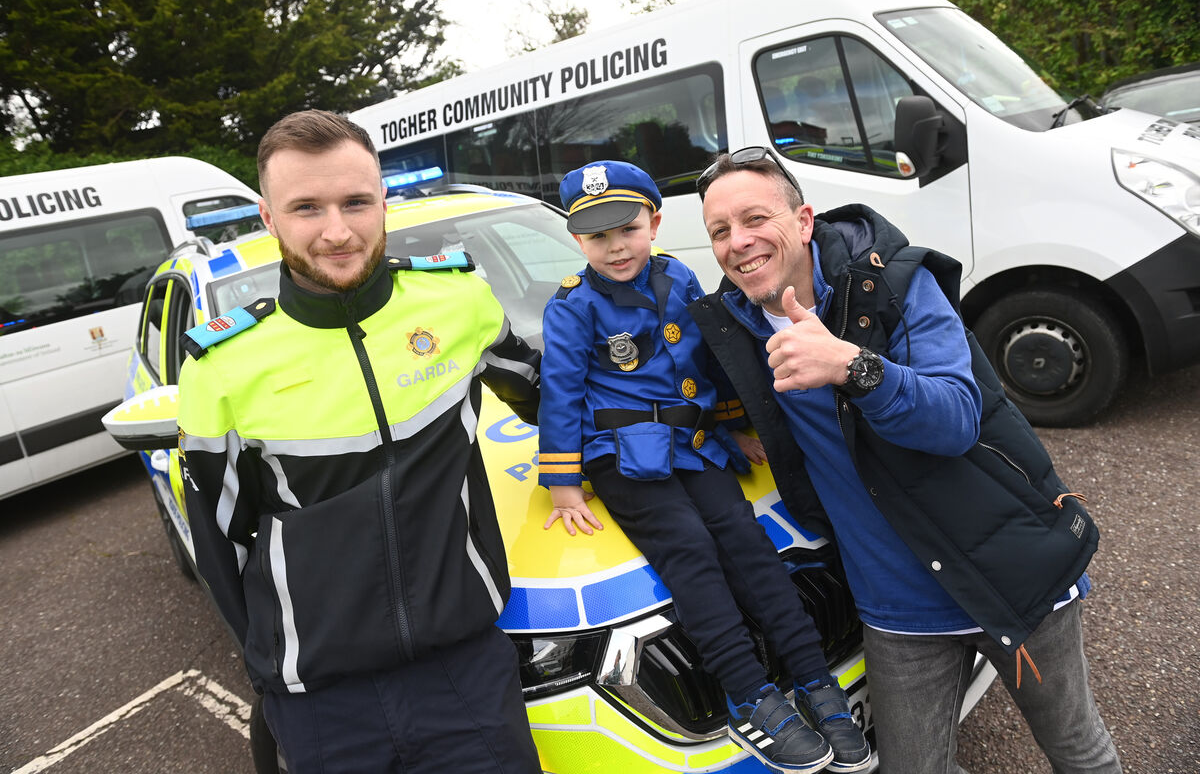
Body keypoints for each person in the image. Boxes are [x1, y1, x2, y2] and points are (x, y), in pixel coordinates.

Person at [690, 146, 1123, 773]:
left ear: (804, 220)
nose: (739, 242)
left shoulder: (895, 282)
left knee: (1079, 752)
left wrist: (852, 367)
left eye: (756, 218)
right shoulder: (730, 325)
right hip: (897, 605)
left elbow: (954, 420)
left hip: (1009, 569)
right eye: (720, 231)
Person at [176, 110, 542, 773]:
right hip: (322, 703)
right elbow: (220, 545)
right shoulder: (220, 364)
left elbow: (554, 396)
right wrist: (272, 679)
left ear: (382, 202)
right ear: (268, 218)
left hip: (465, 676)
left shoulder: (458, 299)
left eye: (355, 203)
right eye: (307, 208)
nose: (337, 231)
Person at [537, 160, 871, 774]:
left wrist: (734, 425)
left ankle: (817, 684)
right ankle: (751, 694)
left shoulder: (679, 276)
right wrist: (562, 482)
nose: (615, 247)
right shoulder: (573, 306)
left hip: (694, 445)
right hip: (622, 457)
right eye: (597, 236)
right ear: (577, 239)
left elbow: (709, 362)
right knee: (690, 551)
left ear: (655, 222)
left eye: (627, 229)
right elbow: (559, 393)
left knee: (749, 545)